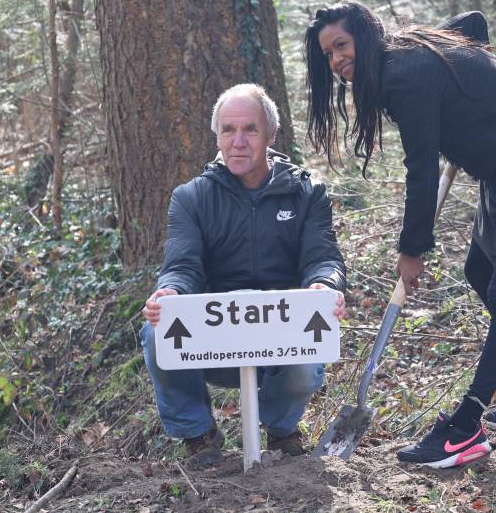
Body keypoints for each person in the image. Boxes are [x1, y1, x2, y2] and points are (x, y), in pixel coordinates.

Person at [304, 0, 496, 469]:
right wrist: (468, 94)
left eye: (341, 46)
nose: (336, 60)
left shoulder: (404, 76)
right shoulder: (405, 54)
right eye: (328, 53)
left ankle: (465, 429)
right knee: (479, 270)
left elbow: (421, 170)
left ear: (364, 37)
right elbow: (473, 24)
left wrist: (412, 249)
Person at [141, 83, 347, 467]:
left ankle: (282, 430)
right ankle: (199, 437)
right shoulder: (191, 198)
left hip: (280, 337)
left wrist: (325, 285)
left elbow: (323, 257)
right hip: (214, 338)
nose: (238, 141)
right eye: (228, 130)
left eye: (249, 130)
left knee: (314, 326)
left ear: (270, 135)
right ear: (217, 137)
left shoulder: (308, 193)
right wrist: (169, 291)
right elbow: (182, 265)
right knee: (157, 331)